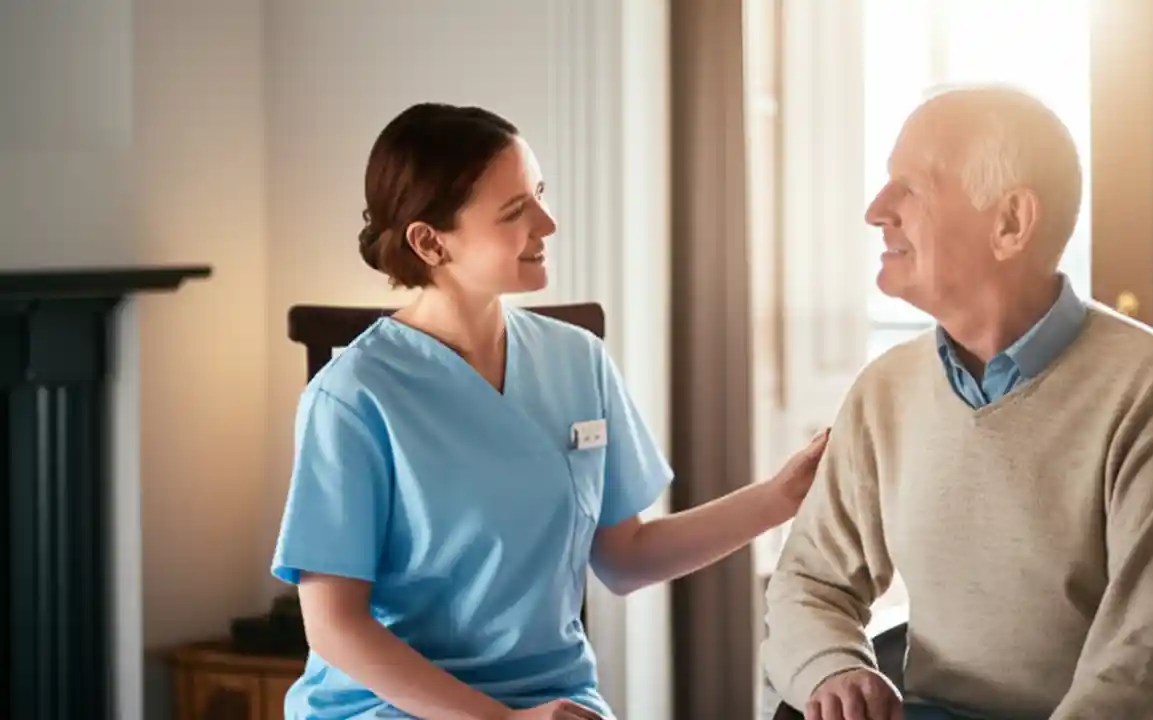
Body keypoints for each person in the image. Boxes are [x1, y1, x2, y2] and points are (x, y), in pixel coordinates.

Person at [270, 102, 828, 720]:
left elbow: (627, 555)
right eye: (515, 211)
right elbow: (335, 628)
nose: (549, 222)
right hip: (389, 707)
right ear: (430, 242)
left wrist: (781, 496)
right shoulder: (353, 396)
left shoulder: (576, 360)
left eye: (539, 193)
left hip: (556, 703)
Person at [761, 86, 1153, 720]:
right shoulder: (884, 390)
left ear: (1010, 223)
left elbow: (1150, 655)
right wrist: (831, 667)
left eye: (911, 186)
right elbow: (809, 582)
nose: (877, 211)